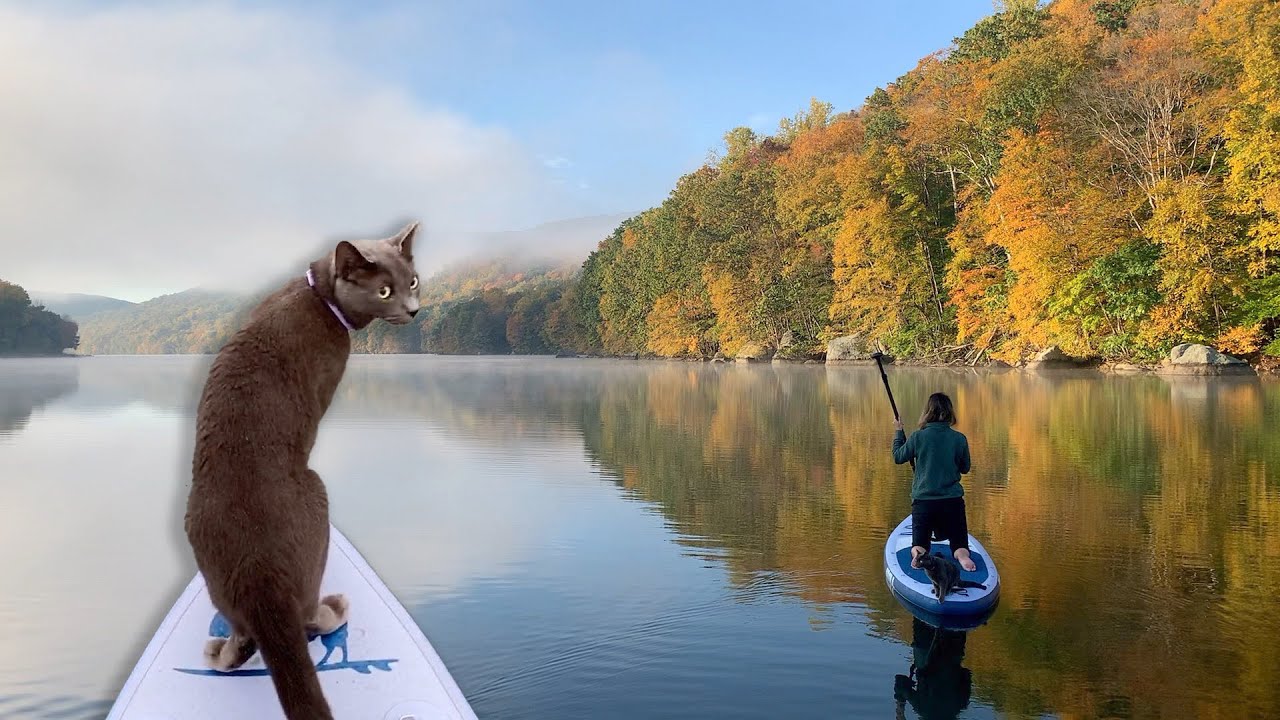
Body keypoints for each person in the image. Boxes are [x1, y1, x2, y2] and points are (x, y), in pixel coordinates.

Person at [892, 392, 975, 572]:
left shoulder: (917, 437)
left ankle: (917, 556)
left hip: (924, 501)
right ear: (950, 412)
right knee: (959, 541)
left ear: (927, 412)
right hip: (952, 500)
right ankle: (962, 557)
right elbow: (965, 468)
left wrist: (899, 432)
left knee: (920, 544)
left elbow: (898, 456)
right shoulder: (959, 439)